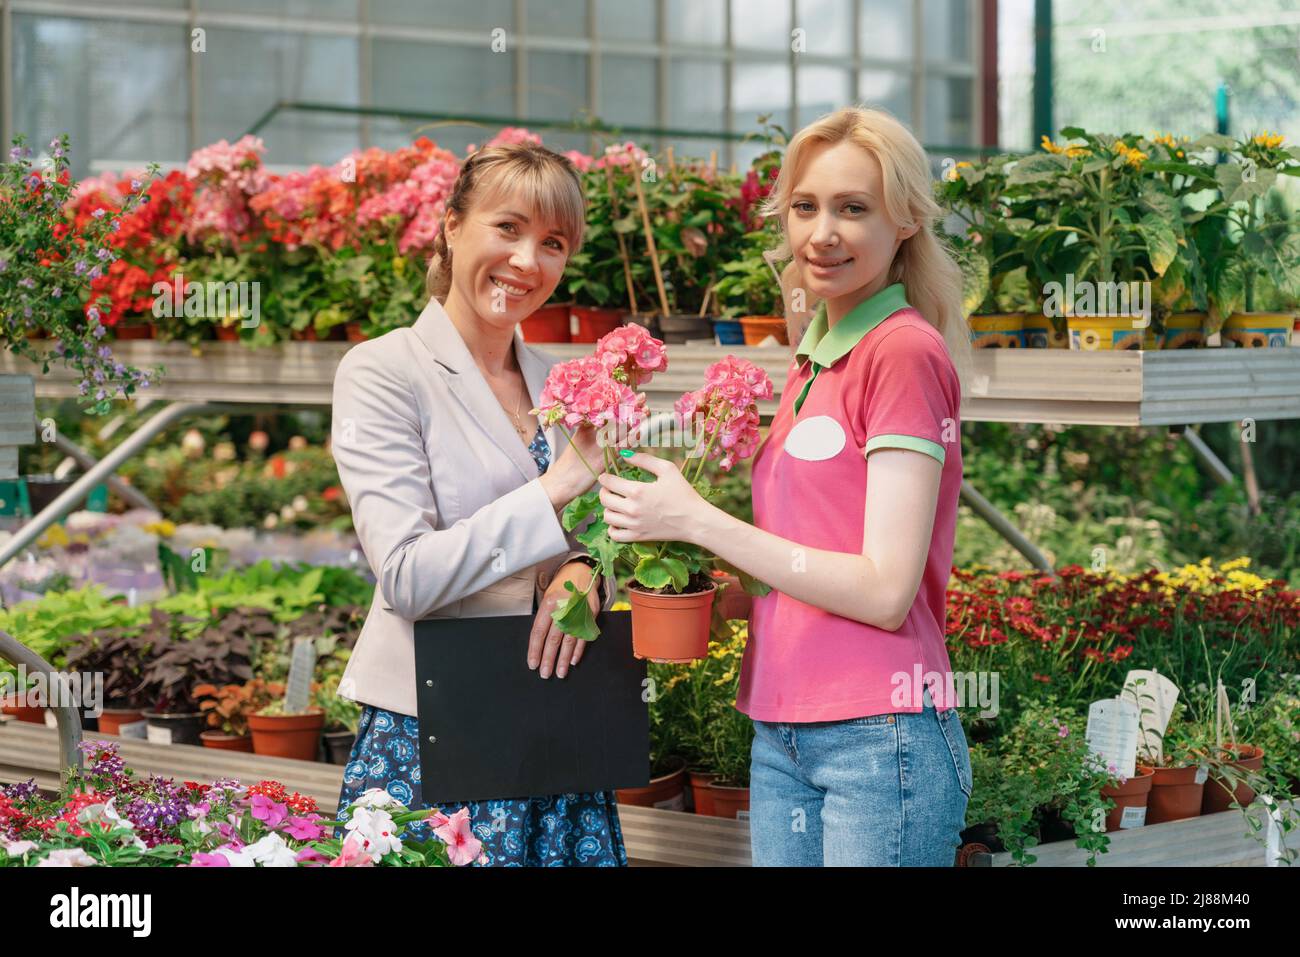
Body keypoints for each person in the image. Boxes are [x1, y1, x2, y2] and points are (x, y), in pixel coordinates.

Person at [597, 106, 974, 866]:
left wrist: (698, 520)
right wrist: (706, 594)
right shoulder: (815, 355)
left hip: (880, 733)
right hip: (782, 727)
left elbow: (883, 591)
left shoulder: (900, 353)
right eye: (806, 206)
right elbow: (811, 560)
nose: (822, 233)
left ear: (904, 221)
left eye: (853, 208)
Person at [330, 141, 626, 866]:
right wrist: (554, 487)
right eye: (508, 228)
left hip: (558, 730)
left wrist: (588, 571)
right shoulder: (382, 371)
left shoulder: (563, 383)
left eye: (553, 243)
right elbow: (405, 575)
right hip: (436, 732)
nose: (528, 259)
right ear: (452, 225)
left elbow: (602, 541)